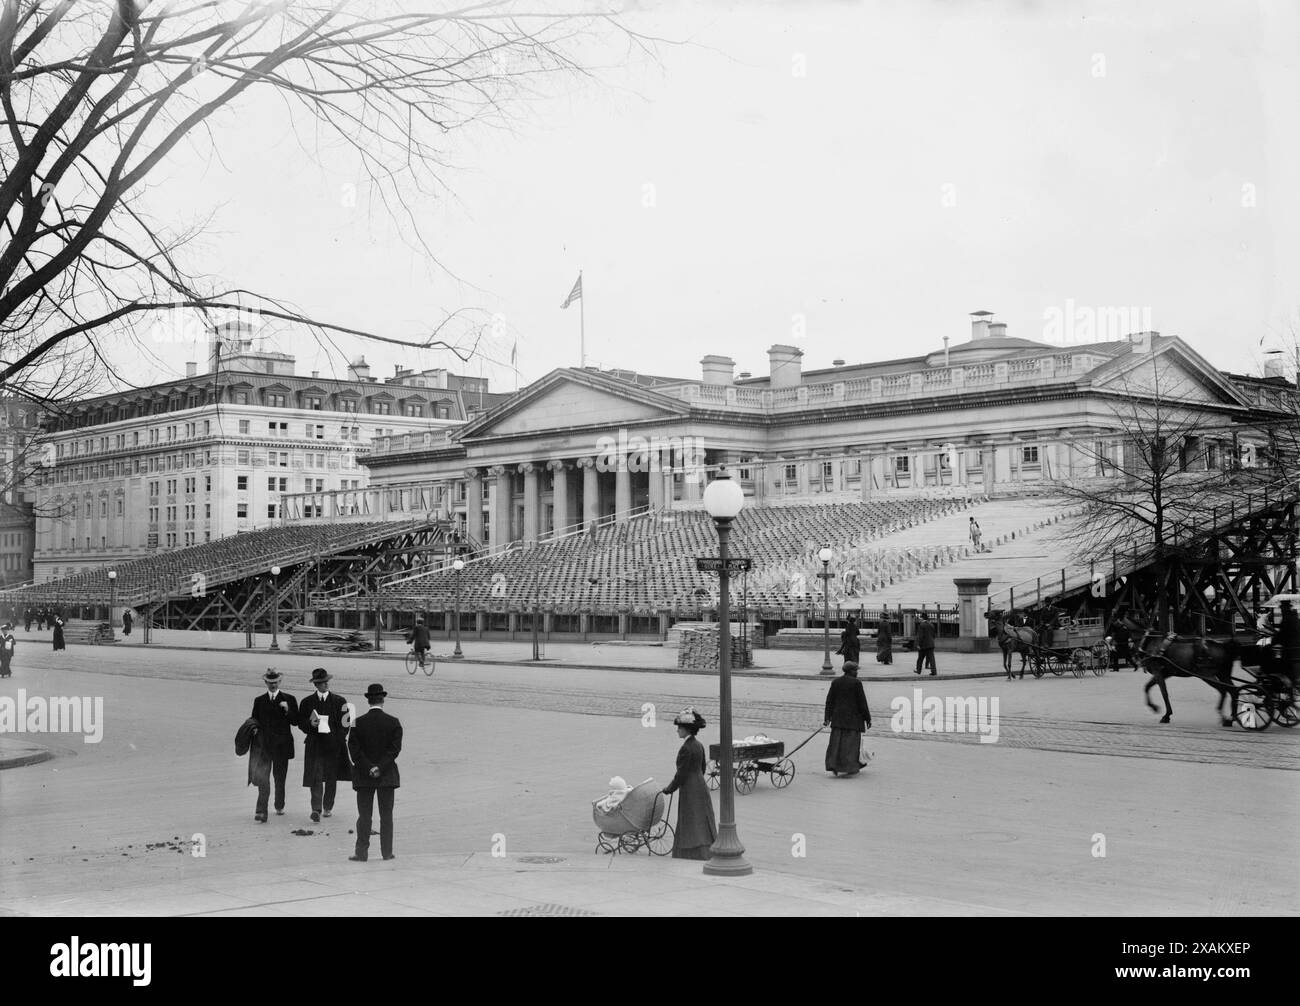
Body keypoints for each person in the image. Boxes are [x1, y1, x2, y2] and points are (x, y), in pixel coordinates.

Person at [347, 683, 403, 862]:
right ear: (382, 699)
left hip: (364, 776)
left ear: (368, 700)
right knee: (387, 816)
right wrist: (380, 767)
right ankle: (387, 852)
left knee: (364, 816)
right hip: (387, 776)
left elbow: (354, 750)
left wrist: (368, 767)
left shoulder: (357, 723)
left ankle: (361, 852)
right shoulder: (393, 722)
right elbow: (394, 750)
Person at [660, 708, 717, 860]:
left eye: (679, 728)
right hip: (700, 785)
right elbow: (703, 768)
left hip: (690, 788)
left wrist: (669, 789)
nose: (677, 730)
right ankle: (707, 850)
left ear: (686, 729)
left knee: (690, 819)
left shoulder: (686, 748)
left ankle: (690, 853)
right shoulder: (698, 745)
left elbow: (681, 774)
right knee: (702, 818)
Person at [297, 668, 350, 822]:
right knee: (316, 777)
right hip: (315, 745)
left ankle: (328, 806)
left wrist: (338, 738)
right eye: (321, 682)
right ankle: (316, 809)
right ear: (316, 685)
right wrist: (310, 724)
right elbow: (301, 724)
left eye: (326, 681)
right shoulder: (306, 702)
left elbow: (346, 724)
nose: (325, 684)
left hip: (334, 745)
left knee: (332, 777)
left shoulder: (340, 701)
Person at [248, 669, 298, 822]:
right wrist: (254, 729)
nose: (273, 685)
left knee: (279, 778)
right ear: (265, 683)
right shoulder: (259, 700)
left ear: (280, 682)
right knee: (263, 779)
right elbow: (254, 719)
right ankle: (261, 810)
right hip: (264, 746)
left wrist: (288, 710)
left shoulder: (289, 699)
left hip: (282, 747)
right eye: (270, 683)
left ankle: (279, 805)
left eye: (275, 682)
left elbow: (296, 721)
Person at [824, 660, 872, 776]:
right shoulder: (856, 683)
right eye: (856, 670)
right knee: (850, 746)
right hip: (853, 720)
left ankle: (834, 765)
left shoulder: (836, 682)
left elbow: (829, 701)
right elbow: (862, 703)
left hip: (838, 719)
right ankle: (849, 766)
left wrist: (827, 717)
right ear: (851, 671)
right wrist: (868, 718)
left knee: (837, 745)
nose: (857, 673)